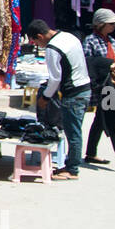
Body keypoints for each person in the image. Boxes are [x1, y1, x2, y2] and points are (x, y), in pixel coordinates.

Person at [26, 18, 91, 181]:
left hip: (73, 93)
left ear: (40, 36)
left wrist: (45, 98)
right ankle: (70, 164)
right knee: (75, 130)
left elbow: (55, 79)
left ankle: (73, 169)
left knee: (73, 132)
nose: (36, 46)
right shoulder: (69, 37)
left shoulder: (52, 49)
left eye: (35, 42)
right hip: (85, 88)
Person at [81, 9, 115, 169]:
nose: (113, 26)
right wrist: (106, 64)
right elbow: (88, 62)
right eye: (111, 24)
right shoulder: (90, 41)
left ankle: (91, 153)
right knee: (114, 119)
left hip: (112, 86)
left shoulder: (111, 40)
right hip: (103, 86)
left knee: (101, 119)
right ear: (101, 24)